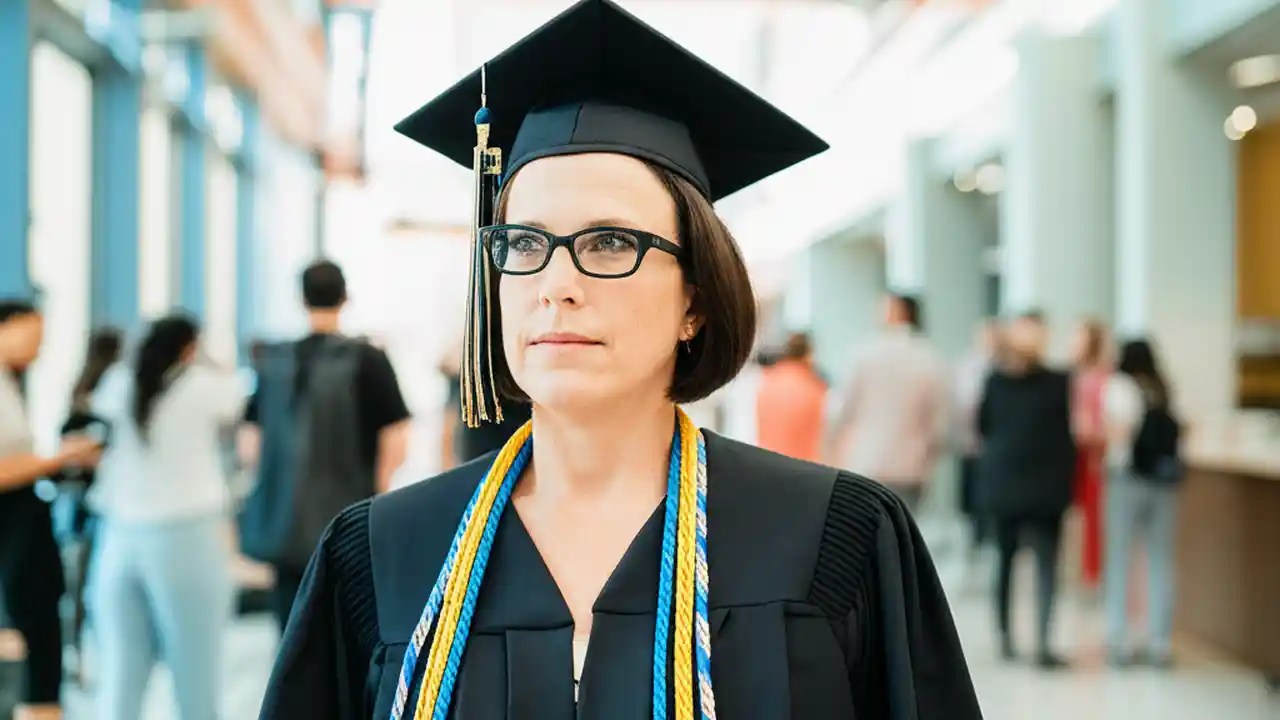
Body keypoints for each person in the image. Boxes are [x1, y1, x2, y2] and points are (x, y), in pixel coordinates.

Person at [259, 2, 981, 718]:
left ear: (696, 299)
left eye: (610, 243)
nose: (556, 286)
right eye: (524, 243)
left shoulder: (833, 540)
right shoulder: (384, 555)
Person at [86, 314, 246, 719]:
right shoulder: (205, 386)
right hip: (184, 531)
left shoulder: (120, 381)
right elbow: (238, 403)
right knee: (195, 669)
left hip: (118, 534)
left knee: (121, 670)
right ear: (190, 347)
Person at [239, 260, 411, 630]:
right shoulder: (368, 359)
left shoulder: (274, 362)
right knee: (345, 626)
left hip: (284, 524)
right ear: (345, 297)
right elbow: (396, 437)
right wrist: (380, 490)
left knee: (290, 627)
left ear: (302, 299)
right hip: (348, 519)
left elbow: (250, 443)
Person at [0, 300, 101, 720]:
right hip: (12, 527)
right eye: (33, 337)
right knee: (29, 632)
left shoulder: (12, 383)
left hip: (26, 526)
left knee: (42, 630)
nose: (39, 349)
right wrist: (59, 457)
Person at [978, 311, 1075, 669]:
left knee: (1005, 562)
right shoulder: (1059, 382)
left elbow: (983, 426)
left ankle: (1006, 638)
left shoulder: (995, 382)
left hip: (1007, 485)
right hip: (1044, 487)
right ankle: (1041, 643)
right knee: (1044, 565)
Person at [828, 293, 949, 512]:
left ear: (897, 312)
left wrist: (832, 448)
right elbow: (939, 423)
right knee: (904, 527)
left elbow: (841, 409)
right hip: (910, 466)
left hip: (866, 462)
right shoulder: (929, 358)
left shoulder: (864, 354)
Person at [1103, 339, 1181, 669]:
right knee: (1161, 560)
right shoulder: (1161, 387)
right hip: (1163, 483)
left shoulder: (1119, 386)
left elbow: (1118, 435)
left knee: (1120, 558)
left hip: (1127, 479)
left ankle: (1119, 640)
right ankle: (1159, 643)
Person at [58, 326, 123, 684]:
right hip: (98, 507)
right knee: (93, 586)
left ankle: (79, 656)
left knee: (81, 586)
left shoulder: (80, 393)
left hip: (79, 505)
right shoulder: (110, 398)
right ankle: (91, 656)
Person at [1070, 319, 1110, 592]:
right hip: (1081, 458)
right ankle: (1086, 575)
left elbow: (1088, 427)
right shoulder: (1077, 377)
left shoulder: (1098, 379)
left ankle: (1092, 576)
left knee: (1094, 521)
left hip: (1093, 458)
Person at [954, 320, 999, 551]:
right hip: (971, 445)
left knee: (991, 500)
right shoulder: (968, 367)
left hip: (994, 448)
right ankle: (974, 542)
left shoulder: (1002, 369)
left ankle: (988, 540)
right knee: (970, 500)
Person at [755, 332, 827, 461]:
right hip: (801, 463)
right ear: (808, 354)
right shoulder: (814, 387)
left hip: (767, 460)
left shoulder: (769, 381)